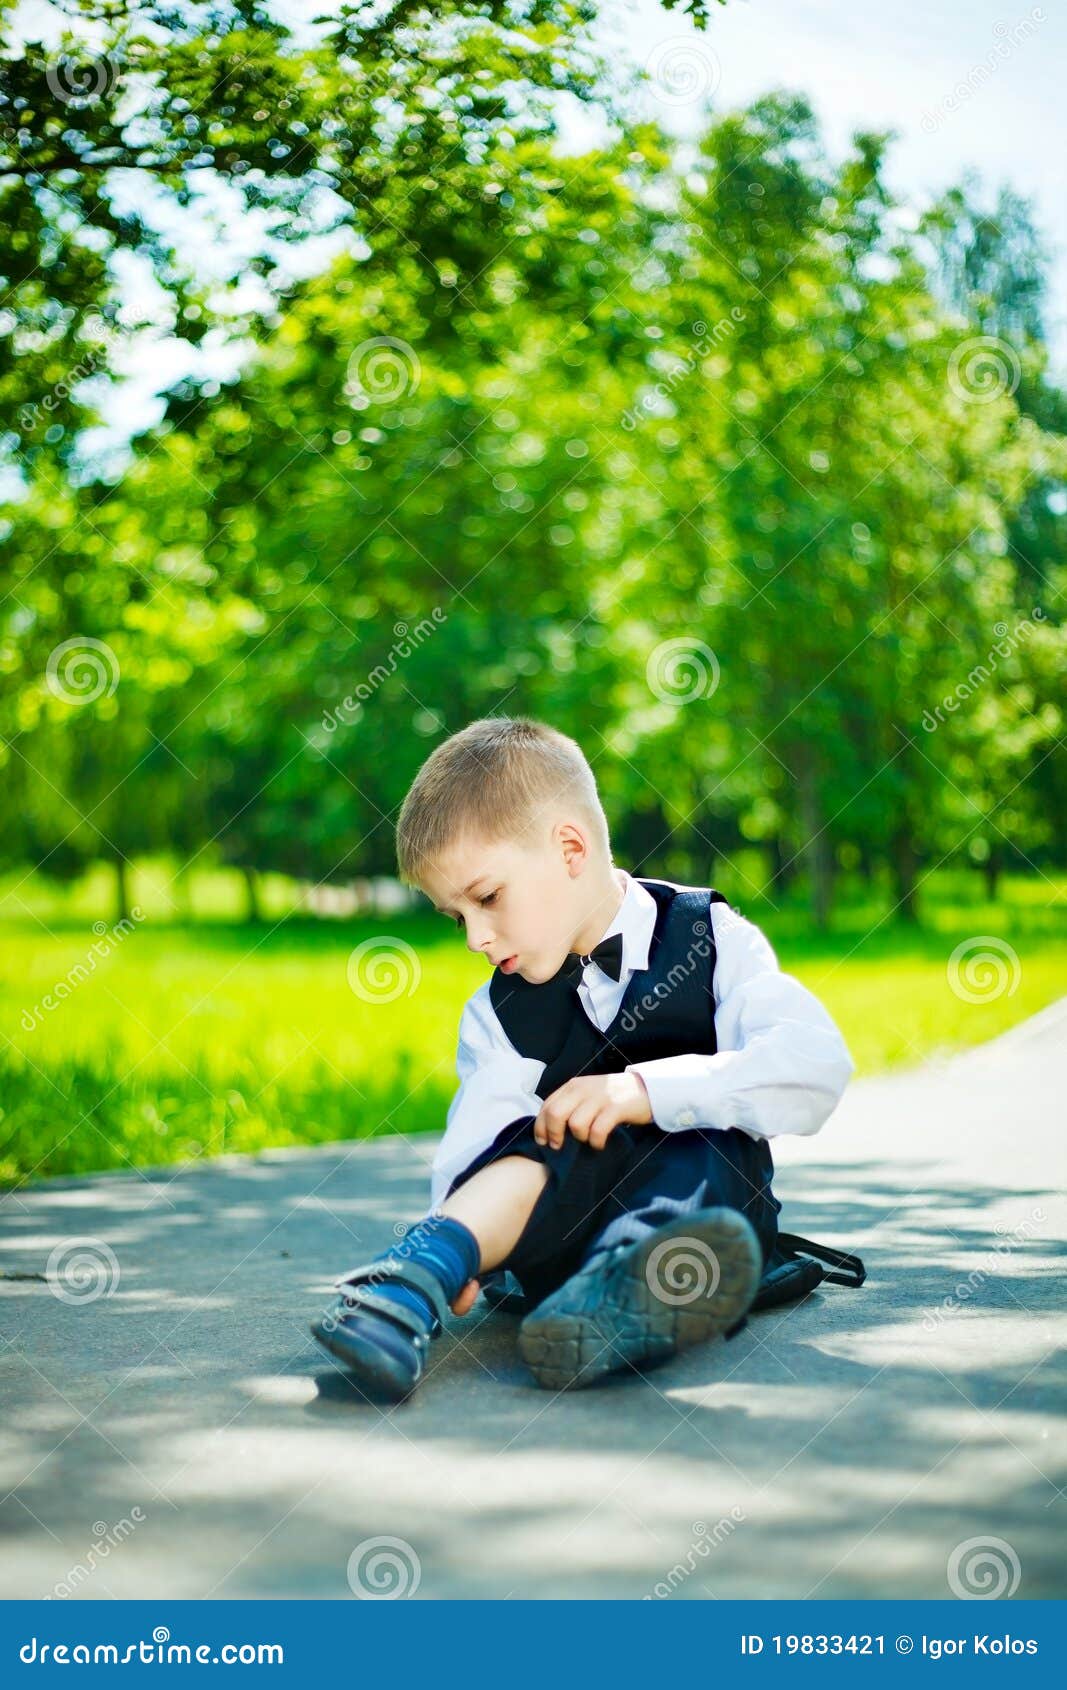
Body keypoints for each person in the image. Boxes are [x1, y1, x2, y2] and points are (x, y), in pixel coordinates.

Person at [310, 716, 855, 1400]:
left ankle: (628, 1292)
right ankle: (412, 1281)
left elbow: (814, 1063)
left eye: (485, 898)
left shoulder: (711, 939)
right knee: (538, 1138)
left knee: (705, 1140)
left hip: (696, 1206)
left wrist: (643, 1091)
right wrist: (466, 1243)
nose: (475, 936)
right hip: (562, 1232)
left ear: (569, 848)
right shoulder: (498, 1011)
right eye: (456, 918)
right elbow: (476, 1148)